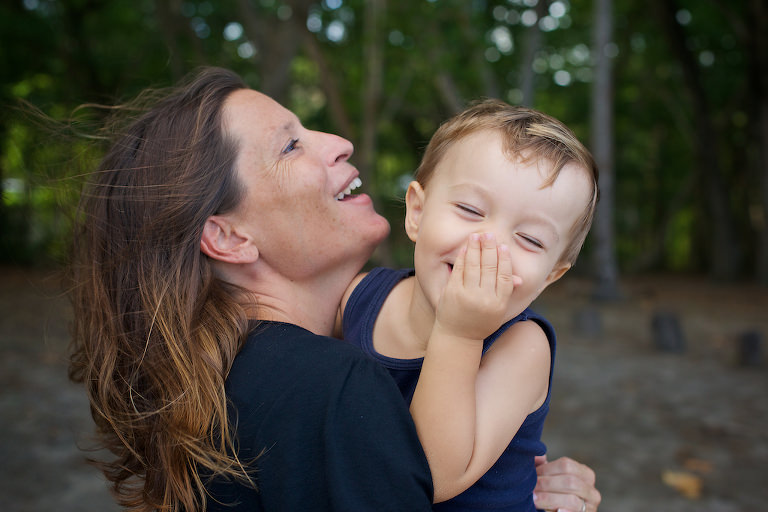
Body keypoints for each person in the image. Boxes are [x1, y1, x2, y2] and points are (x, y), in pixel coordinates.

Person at [67, 67, 600, 512]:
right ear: (228, 235)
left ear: (555, 272)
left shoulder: (231, 369)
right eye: (290, 145)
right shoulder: (332, 385)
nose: (340, 143)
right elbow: (431, 472)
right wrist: (459, 333)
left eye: (529, 238)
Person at [341, 100, 600, 512]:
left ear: (550, 276)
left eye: (530, 239)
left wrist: (460, 332)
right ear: (417, 212)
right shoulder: (360, 296)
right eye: (470, 209)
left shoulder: (521, 345)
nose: (490, 244)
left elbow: (431, 476)